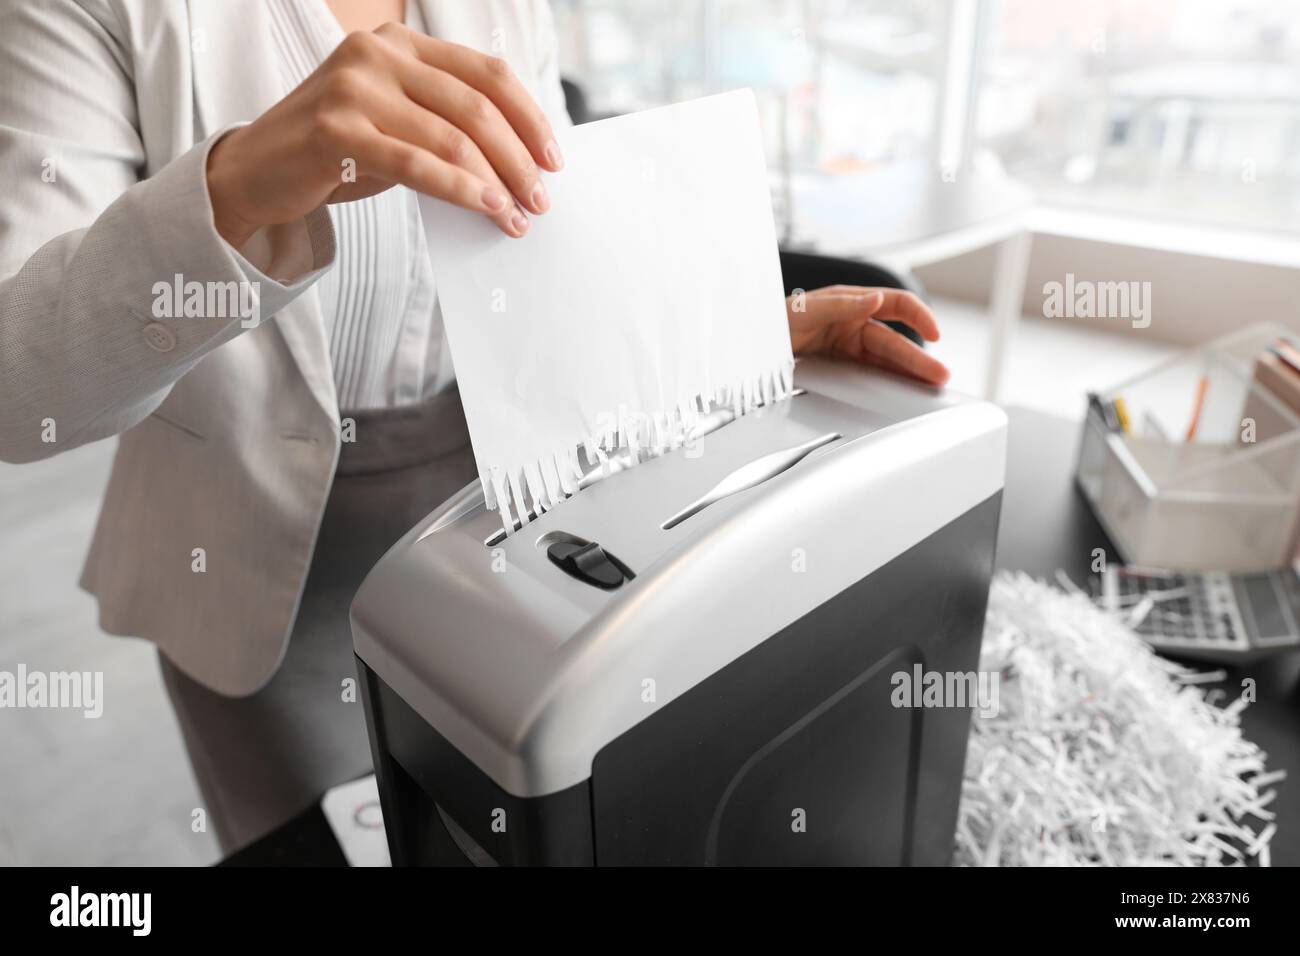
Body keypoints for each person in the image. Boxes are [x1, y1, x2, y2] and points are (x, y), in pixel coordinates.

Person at [0, 0, 949, 854]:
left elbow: (547, 244)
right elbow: (17, 385)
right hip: (242, 569)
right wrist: (238, 186)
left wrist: (744, 329)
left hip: (500, 531)